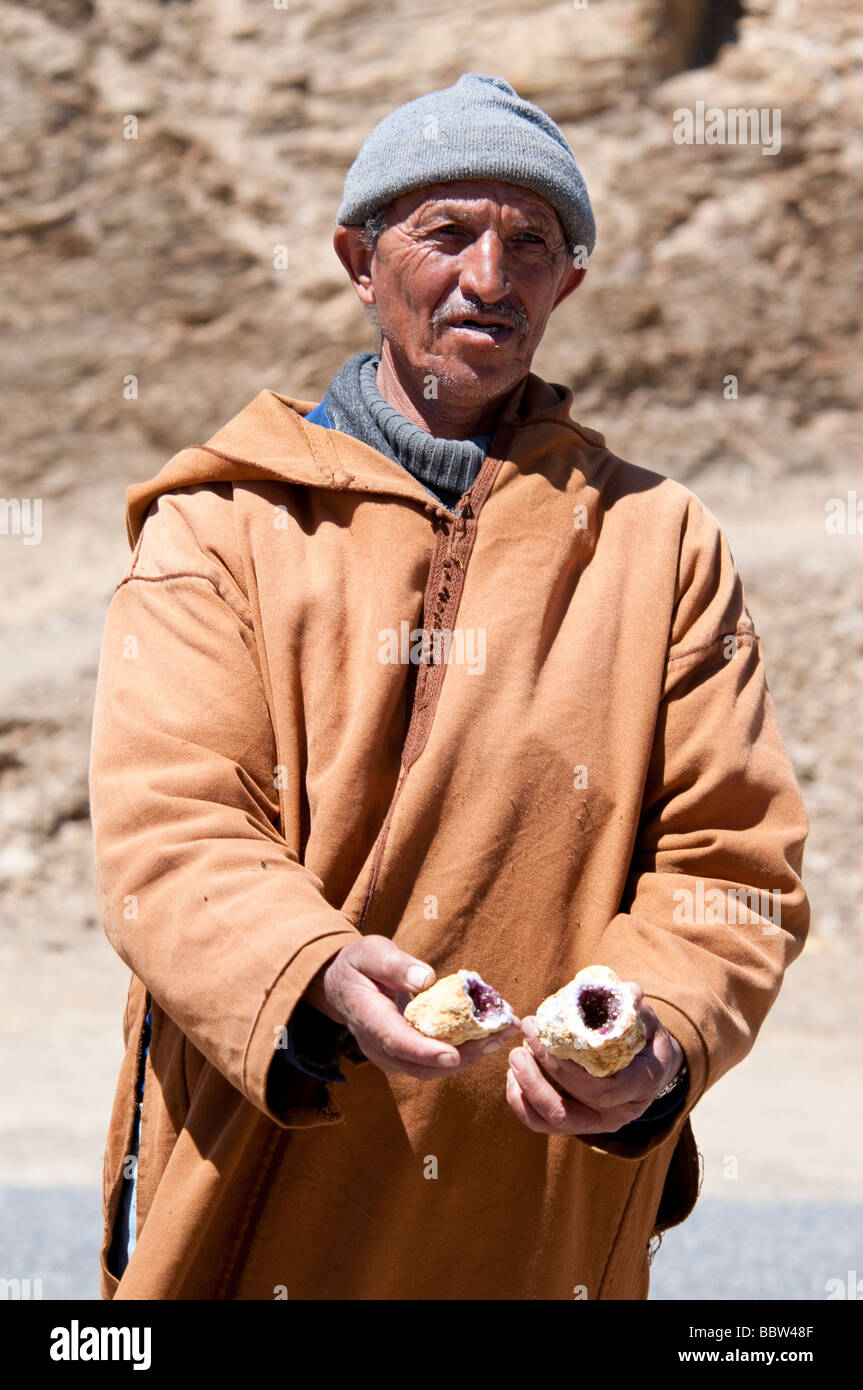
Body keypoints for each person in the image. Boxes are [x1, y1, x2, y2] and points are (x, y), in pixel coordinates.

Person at [89, 72, 809, 1300]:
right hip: (267, 1167)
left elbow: (729, 860)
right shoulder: (223, 524)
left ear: (565, 284)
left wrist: (651, 1037)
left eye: (531, 242)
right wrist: (303, 965)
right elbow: (171, 822)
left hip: (534, 1211)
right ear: (358, 260)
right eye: (446, 234)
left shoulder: (657, 542)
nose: (491, 276)